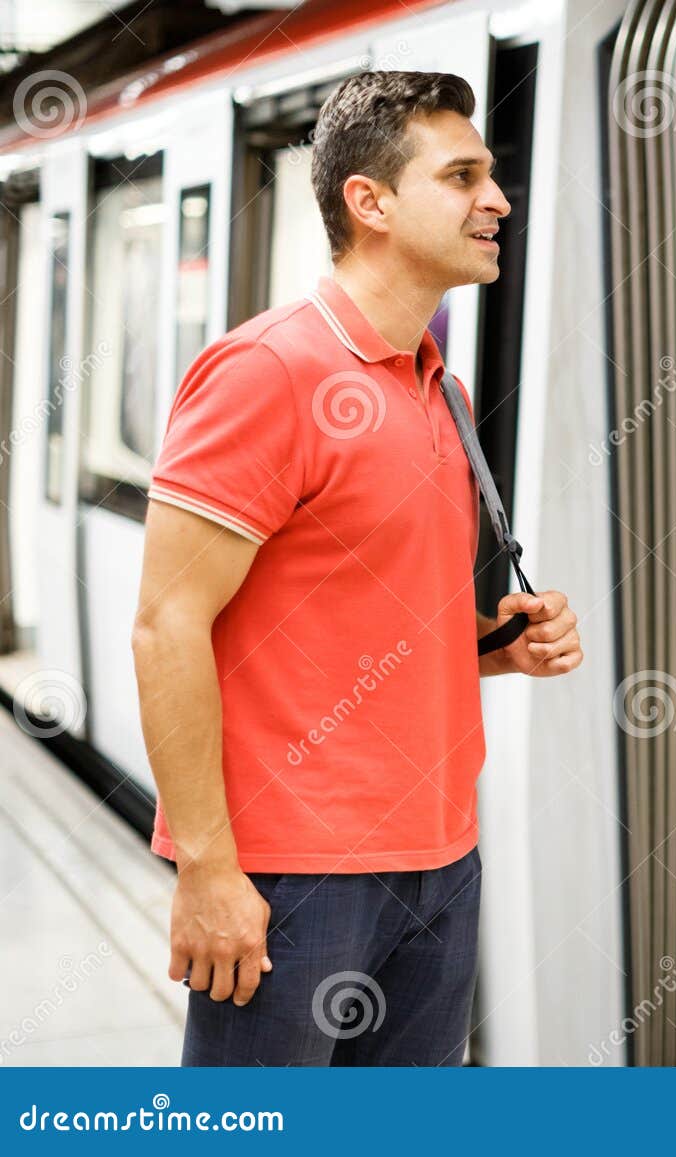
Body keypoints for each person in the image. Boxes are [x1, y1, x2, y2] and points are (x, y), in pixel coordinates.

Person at [129, 71, 582, 1066]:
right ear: (368, 202)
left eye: (492, 176)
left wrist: (499, 648)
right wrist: (207, 866)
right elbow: (167, 623)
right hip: (296, 871)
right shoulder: (268, 374)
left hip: (439, 853)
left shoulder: (441, 388)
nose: (496, 199)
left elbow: (361, 621)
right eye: (463, 176)